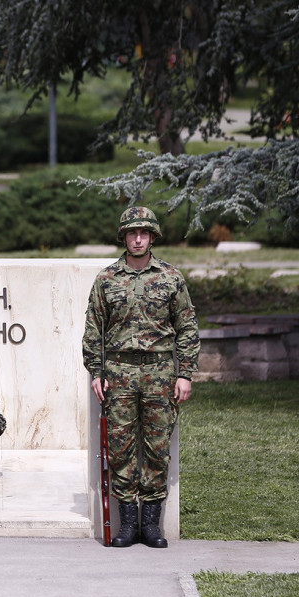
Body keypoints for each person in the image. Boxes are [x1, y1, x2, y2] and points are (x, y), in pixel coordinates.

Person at [82, 206, 199, 548]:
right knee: (120, 447)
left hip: (160, 372)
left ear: (152, 237)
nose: (137, 238)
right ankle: (128, 524)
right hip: (117, 373)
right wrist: (96, 371)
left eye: (144, 233)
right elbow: (93, 330)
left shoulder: (170, 277)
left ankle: (151, 524)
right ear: (124, 237)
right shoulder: (106, 280)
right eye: (132, 233)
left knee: (157, 446)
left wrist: (185, 374)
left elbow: (187, 327)